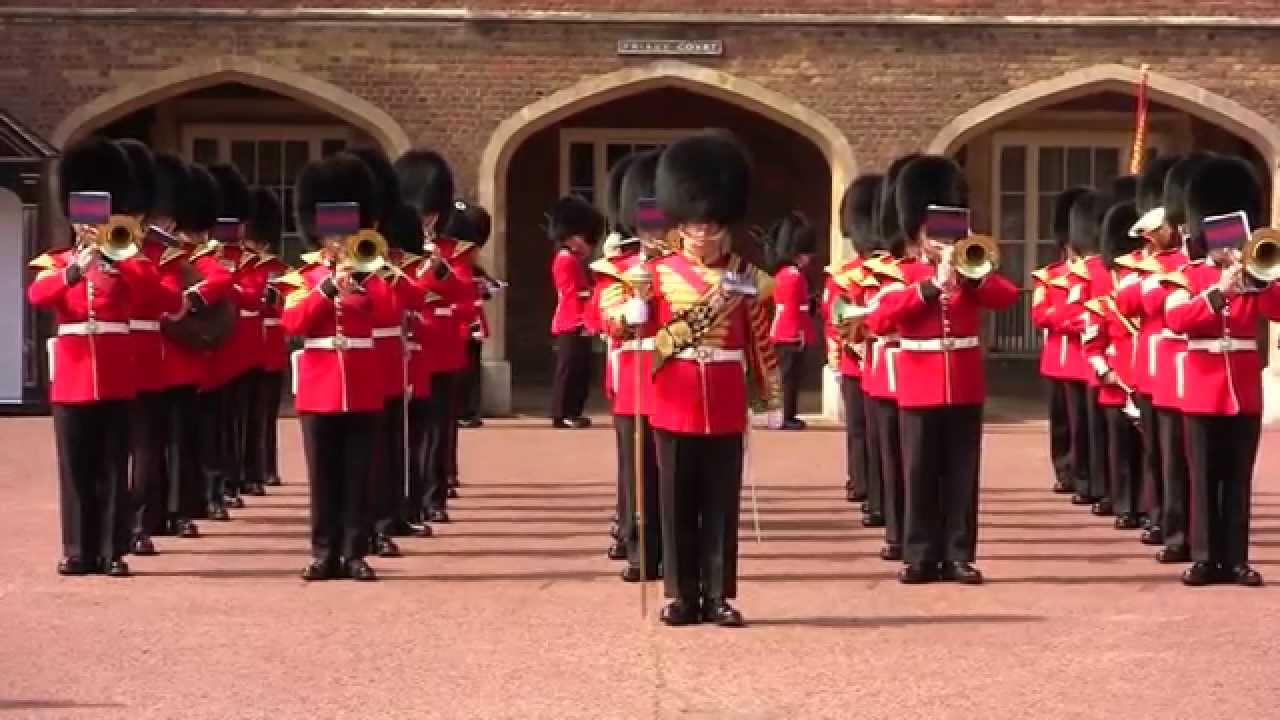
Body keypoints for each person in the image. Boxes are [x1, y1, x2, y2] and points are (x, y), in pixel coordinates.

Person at [647, 131, 780, 626]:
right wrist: (630, 315)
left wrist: (769, 397)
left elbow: (759, 338)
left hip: (724, 396)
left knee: (722, 505)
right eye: (694, 224)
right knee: (676, 503)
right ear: (680, 225)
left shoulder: (749, 278)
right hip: (674, 394)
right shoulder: (657, 274)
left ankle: (718, 594)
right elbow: (627, 330)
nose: (702, 233)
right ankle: (681, 595)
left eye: (711, 224)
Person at [866, 155, 1018, 585]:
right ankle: (919, 554)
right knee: (919, 472)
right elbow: (879, 318)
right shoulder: (901, 273)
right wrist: (931, 286)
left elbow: (1006, 297)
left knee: (962, 474)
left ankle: (958, 554)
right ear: (917, 233)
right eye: (935, 233)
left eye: (950, 232)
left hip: (964, 383)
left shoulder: (972, 268)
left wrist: (972, 274)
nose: (943, 241)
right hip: (919, 382)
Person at [28, 137, 169, 577]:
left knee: (112, 465)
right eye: (83, 218)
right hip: (72, 376)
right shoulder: (57, 261)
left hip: (114, 374)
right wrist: (76, 268)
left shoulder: (127, 258)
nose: (89, 226)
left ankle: (112, 550)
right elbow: (39, 295)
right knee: (76, 469)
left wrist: (116, 259)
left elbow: (153, 293)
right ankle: (77, 549)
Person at [1166, 155, 1279, 586]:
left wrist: (1259, 280)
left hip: (1243, 388)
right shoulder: (1188, 275)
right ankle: (1204, 558)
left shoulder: (1256, 275)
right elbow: (1177, 319)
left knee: (1238, 479)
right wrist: (1218, 292)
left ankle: (1235, 560)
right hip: (1202, 386)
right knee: (1203, 477)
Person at [278, 152, 385, 582]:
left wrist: (364, 278)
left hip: (361, 383)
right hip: (319, 384)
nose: (339, 239)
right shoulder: (302, 277)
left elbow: (390, 311)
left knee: (359, 475)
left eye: (345, 231)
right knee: (322, 477)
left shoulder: (374, 271)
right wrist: (325, 289)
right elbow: (293, 323)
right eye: (332, 232)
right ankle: (324, 553)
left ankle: (355, 553)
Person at [395, 150, 476, 524]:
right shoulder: (394, 252)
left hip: (441, 346)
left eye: (429, 213)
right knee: (406, 429)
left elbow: (466, 294)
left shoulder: (453, 252)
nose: (425, 219)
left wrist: (438, 270)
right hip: (405, 347)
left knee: (438, 429)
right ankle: (406, 497)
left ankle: (434, 496)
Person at [1143, 153, 1214, 564]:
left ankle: (1206, 536)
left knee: (1201, 462)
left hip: (1209, 372)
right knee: (1171, 457)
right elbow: (1146, 303)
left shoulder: (1213, 266)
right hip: (1173, 369)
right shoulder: (1166, 266)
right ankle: (1176, 532)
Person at [1114, 154, 1182, 545]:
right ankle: (1159, 515)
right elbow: (1127, 304)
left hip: (1184, 367)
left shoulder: (1187, 262)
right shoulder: (1138, 266)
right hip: (1152, 367)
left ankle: (1182, 520)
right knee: (1156, 450)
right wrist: (1151, 277)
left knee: (1180, 453)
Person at [1081, 200, 1145, 529]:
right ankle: (1124, 506)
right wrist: (1106, 371)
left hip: (1144, 381)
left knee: (1147, 452)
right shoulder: (1102, 306)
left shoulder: (1148, 299)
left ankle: (1146, 506)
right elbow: (1092, 345)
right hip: (1115, 384)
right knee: (1120, 452)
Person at [824, 175, 881, 505]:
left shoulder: (893, 271)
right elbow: (836, 318)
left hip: (883, 363)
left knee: (877, 431)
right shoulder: (845, 275)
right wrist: (852, 345)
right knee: (859, 428)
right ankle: (861, 481)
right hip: (856, 359)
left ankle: (876, 487)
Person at [1031, 187, 1089, 495]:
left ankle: (1082, 472)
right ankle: (1064, 471)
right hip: (1056, 360)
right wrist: (1069, 320)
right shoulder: (1048, 276)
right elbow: (1040, 314)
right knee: (1061, 422)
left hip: (1082, 360)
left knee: (1082, 423)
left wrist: (1063, 318)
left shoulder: (1090, 274)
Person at [1064, 190, 1113, 514]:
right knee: (1094, 428)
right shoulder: (1085, 271)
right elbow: (1072, 313)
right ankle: (1096, 484)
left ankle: (1103, 486)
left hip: (1114, 357)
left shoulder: (1108, 269)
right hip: (1095, 355)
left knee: (1102, 430)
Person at [245, 189, 289, 493]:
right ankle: (252, 469)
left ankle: (269, 467)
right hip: (248, 346)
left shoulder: (280, 270)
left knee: (268, 413)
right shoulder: (244, 268)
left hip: (272, 347)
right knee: (249, 414)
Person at [548, 195, 603, 429]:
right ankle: (563, 412)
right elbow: (572, 294)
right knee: (570, 370)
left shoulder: (572, 259)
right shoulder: (566, 260)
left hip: (579, 319)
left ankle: (572, 411)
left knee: (580, 370)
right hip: (572, 320)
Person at [767, 212, 819, 430]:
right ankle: (784, 417)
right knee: (788, 378)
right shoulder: (793, 276)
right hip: (790, 333)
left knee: (789, 377)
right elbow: (792, 310)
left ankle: (787, 415)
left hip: (787, 330)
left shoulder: (786, 273)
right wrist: (799, 334)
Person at [448, 202, 495, 430]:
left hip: (471, 323)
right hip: (460, 324)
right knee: (463, 371)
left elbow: (480, 292)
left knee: (471, 369)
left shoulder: (470, 267)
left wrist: (485, 288)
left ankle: (469, 410)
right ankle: (463, 410)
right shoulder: (455, 267)